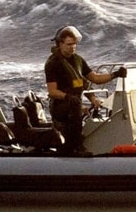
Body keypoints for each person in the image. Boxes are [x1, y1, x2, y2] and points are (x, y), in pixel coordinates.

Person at [44, 25, 126, 156]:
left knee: (87, 105)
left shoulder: (78, 60)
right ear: (60, 44)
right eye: (69, 44)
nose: (72, 47)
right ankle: (76, 146)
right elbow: (52, 91)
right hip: (60, 106)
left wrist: (115, 74)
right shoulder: (53, 63)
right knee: (75, 103)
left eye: (74, 44)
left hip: (74, 104)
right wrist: (68, 97)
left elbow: (94, 78)